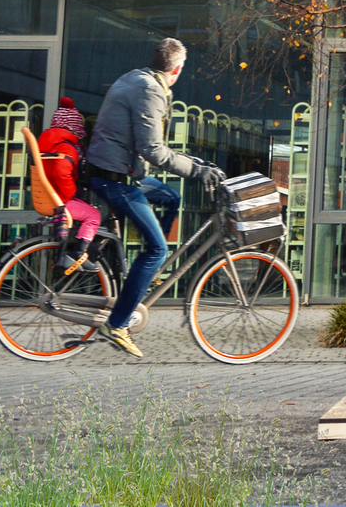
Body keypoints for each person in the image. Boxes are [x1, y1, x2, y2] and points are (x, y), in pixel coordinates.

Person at [85, 38, 225, 358]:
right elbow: (153, 151)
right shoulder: (150, 90)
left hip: (118, 171)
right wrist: (197, 172)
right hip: (114, 179)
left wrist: (200, 164)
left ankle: (146, 272)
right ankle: (117, 324)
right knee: (158, 248)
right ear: (176, 69)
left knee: (170, 197)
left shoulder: (136, 78)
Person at [38, 96, 101, 270]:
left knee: (84, 212)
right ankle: (78, 254)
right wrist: (69, 194)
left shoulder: (47, 145)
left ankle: (83, 251)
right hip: (61, 200)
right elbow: (61, 173)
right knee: (93, 216)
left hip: (50, 199)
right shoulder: (67, 147)